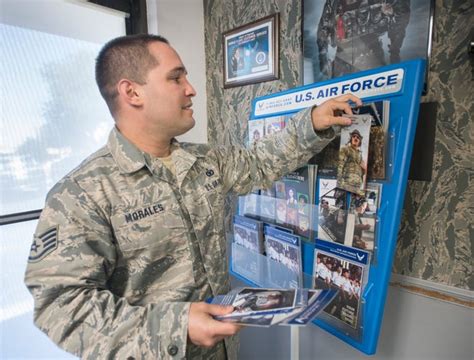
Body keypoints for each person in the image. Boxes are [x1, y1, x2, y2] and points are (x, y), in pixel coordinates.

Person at [24, 33, 361, 359]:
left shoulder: (202, 162)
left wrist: (313, 123)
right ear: (132, 92)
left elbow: (257, 162)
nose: (191, 89)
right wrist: (176, 326)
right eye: (176, 78)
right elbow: (61, 306)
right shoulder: (82, 193)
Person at [337, 128, 366, 194]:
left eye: (358, 137)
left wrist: (364, 169)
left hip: (357, 185)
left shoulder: (360, 154)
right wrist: (340, 184)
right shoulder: (345, 149)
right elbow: (340, 166)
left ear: (359, 141)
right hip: (347, 184)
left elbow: (362, 172)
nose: (356, 138)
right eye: (354, 136)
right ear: (351, 139)